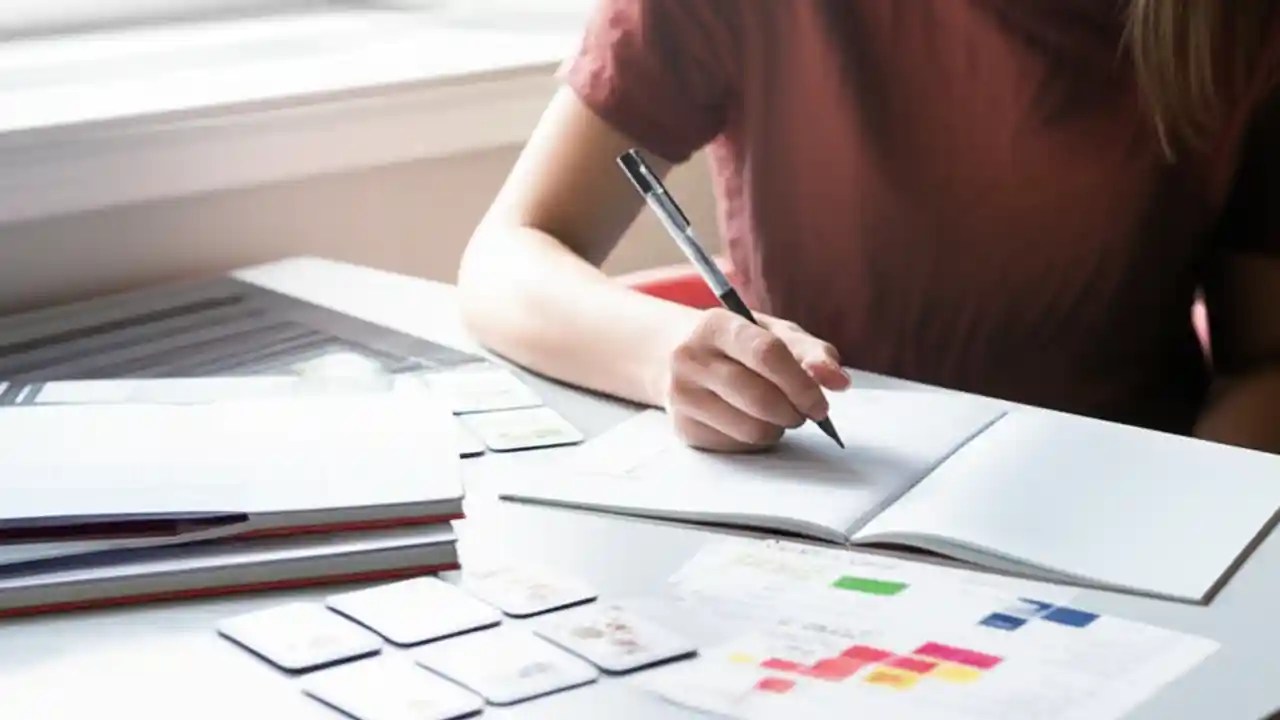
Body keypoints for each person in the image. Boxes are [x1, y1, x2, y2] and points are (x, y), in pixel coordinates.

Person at [458, 1, 1280, 454]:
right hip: (822, 508)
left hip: (1127, 521)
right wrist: (666, 353)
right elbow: (507, 256)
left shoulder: (1238, 27)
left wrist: (1201, 512)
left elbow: (1266, 363)